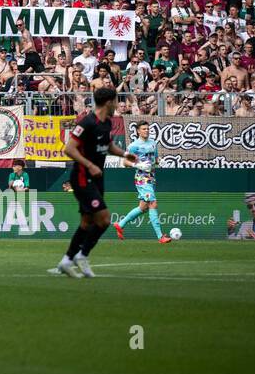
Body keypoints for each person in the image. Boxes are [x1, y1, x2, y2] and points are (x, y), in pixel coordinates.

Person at [49, 86, 133, 278]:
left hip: (96, 178)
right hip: (82, 177)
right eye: (116, 101)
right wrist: (90, 165)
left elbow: (108, 146)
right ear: (109, 102)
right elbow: (69, 149)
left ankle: (67, 261)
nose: (118, 105)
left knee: (87, 222)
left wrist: (125, 154)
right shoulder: (87, 122)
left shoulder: (107, 123)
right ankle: (82, 255)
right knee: (104, 219)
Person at [113, 121, 171, 243]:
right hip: (142, 178)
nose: (146, 130)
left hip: (152, 177)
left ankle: (120, 224)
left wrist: (160, 161)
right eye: (144, 129)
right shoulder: (134, 146)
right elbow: (125, 162)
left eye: (148, 128)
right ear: (138, 131)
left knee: (143, 207)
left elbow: (155, 160)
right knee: (153, 203)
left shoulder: (153, 143)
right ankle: (160, 237)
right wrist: (138, 165)